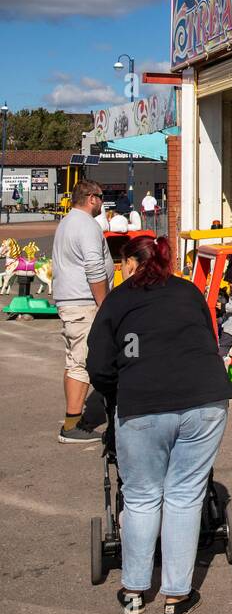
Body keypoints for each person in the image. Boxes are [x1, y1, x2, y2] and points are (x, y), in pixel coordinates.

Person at [86, 235, 232, 614]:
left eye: (121, 262)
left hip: (143, 406)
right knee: (184, 496)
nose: (120, 269)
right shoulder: (188, 293)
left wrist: (116, 392)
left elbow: (99, 365)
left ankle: (135, 590)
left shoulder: (118, 300)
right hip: (205, 399)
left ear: (133, 263)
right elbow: (208, 341)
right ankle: (177, 596)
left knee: (141, 497)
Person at [51, 179, 114, 442]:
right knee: (81, 364)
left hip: (71, 302)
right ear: (91, 198)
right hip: (84, 304)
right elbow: (94, 267)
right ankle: (71, 425)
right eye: (102, 196)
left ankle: (74, 417)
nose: (103, 202)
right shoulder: (87, 225)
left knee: (73, 360)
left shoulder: (67, 221)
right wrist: (105, 304)